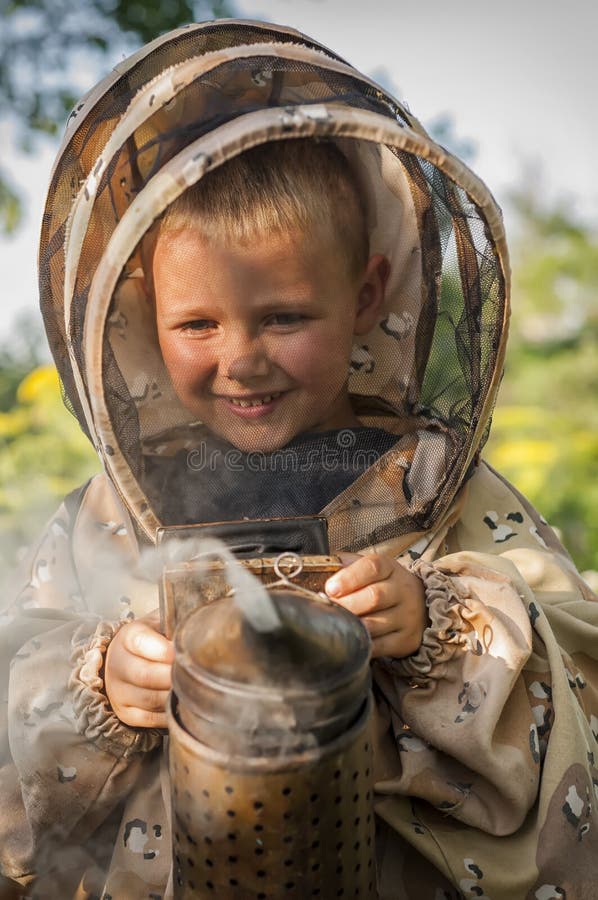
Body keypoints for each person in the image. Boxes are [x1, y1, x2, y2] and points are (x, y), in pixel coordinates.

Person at [1, 18, 597, 900]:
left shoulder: (429, 484)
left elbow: (575, 655)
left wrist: (438, 627)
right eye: (197, 325)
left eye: (282, 318)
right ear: (140, 316)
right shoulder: (112, 514)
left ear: (363, 295)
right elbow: (21, 675)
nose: (241, 359)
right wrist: (102, 679)